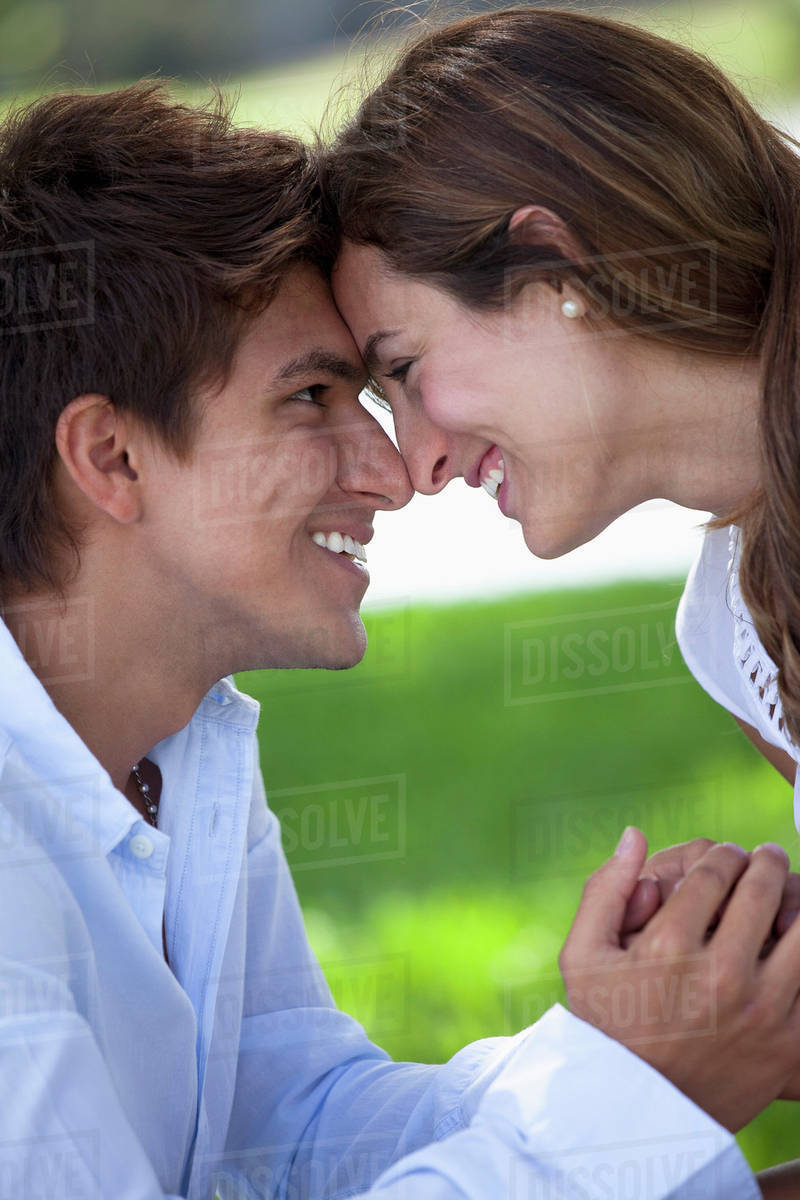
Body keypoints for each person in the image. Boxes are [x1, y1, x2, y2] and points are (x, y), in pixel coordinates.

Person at [0, 81, 795, 1200]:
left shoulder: (177, 748)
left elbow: (289, 1130)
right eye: (315, 395)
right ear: (114, 460)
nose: (391, 471)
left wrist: (679, 1016)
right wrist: (634, 1087)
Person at [319, 5, 800, 1190]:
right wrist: (739, 986)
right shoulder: (734, 622)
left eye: (406, 373)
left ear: (554, 270)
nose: (416, 460)